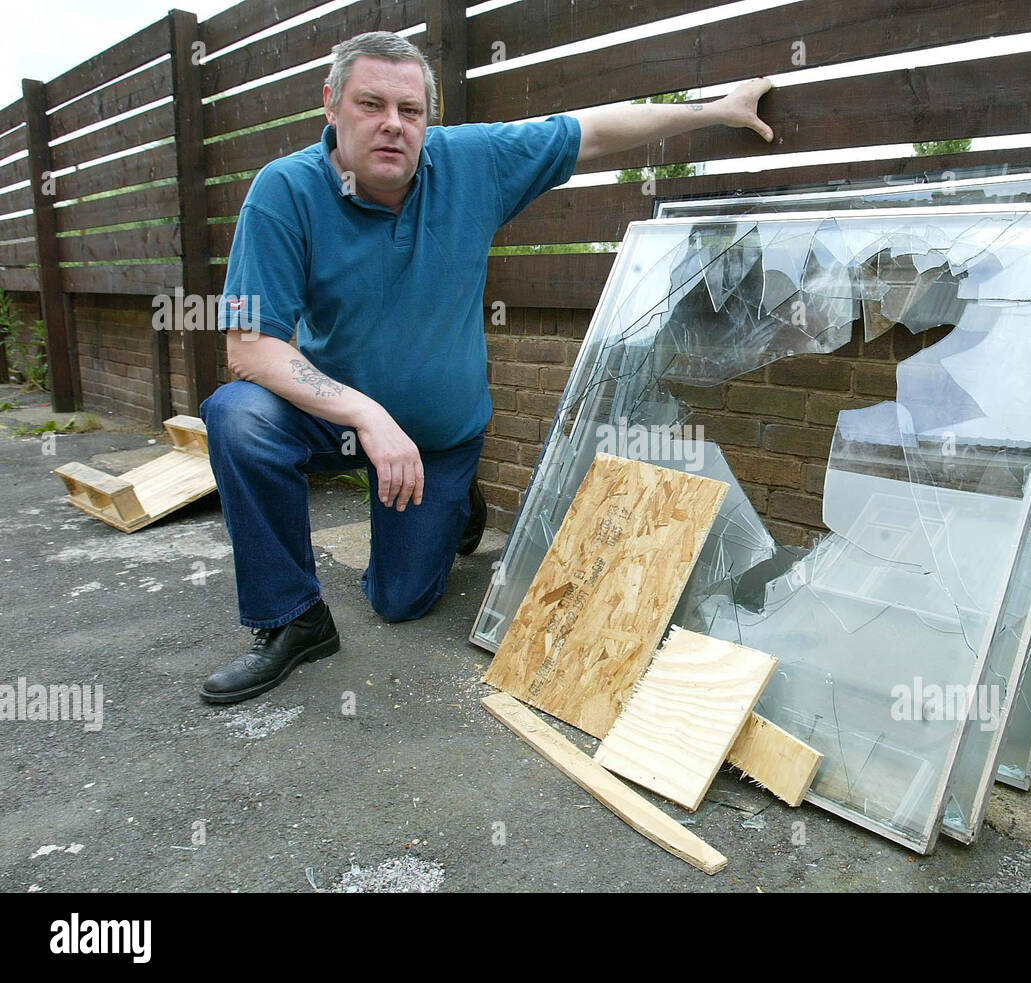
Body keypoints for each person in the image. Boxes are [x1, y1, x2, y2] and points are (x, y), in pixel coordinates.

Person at [198, 31, 773, 705]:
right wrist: (365, 413)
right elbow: (249, 347)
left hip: (439, 434)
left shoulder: (474, 163)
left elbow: (593, 132)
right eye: (371, 103)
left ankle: (453, 495)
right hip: (340, 423)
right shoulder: (284, 191)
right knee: (238, 417)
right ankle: (292, 617)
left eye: (410, 111)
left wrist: (713, 110)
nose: (392, 124)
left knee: (401, 601)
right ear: (331, 104)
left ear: (428, 119)